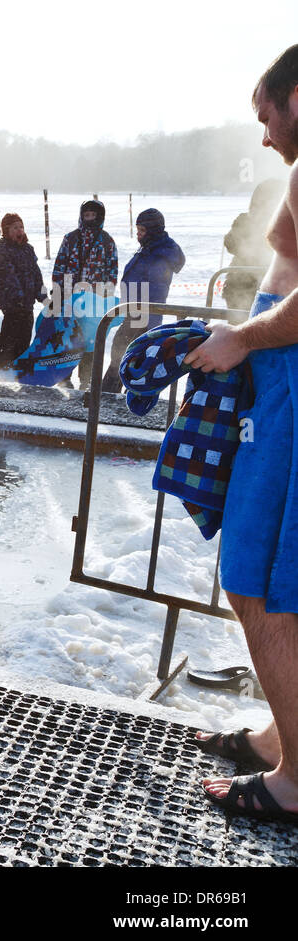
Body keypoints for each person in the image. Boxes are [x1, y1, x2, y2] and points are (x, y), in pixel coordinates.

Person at [186, 44, 298, 826]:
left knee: (265, 584)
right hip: (278, 386)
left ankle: (297, 784)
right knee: (259, 577)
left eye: (266, 115)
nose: (262, 136)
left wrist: (243, 342)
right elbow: (285, 270)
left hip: (292, 389)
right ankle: (281, 738)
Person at [100, 208, 185, 393]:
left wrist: (138, 310)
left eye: (142, 231)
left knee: (123, 357)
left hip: (142, 316)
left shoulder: (159, 255)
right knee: (123, 356)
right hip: (135, 313)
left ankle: (107, 397)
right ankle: (111, 395)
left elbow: (154, 288)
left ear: (153, 230)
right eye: (137, 230)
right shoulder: (150, 248)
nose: (138, 235)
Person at [51, 199, 118, 386]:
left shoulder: (107, 241)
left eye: (93, 216)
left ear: (100, 217)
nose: (89, 219)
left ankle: (86, 380)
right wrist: (59, 292)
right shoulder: (70, 238)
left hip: (94, 301)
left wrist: (106, 296)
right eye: (86, 215)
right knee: (68, 339)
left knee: (90, 341)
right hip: (69, 298)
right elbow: (59, 266)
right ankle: (63, 378)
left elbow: (112, 272)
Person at [0, 213, 46, 374]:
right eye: (15, 227)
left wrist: (42, 296)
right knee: (8, 339)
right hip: (11, 304)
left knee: (23, 339)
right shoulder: (2, 249)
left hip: (27, 305)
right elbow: (7, 275)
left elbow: (36, 275)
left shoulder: (28, 249)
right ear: (6, 230)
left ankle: (19, 373)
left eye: (21, 227)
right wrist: (18, 297)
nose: (19, 230)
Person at [223, 179, 286, 312]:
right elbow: (230, 244)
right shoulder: (245, 220)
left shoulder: (280, 223)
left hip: (267, 285)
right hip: (240, 284)